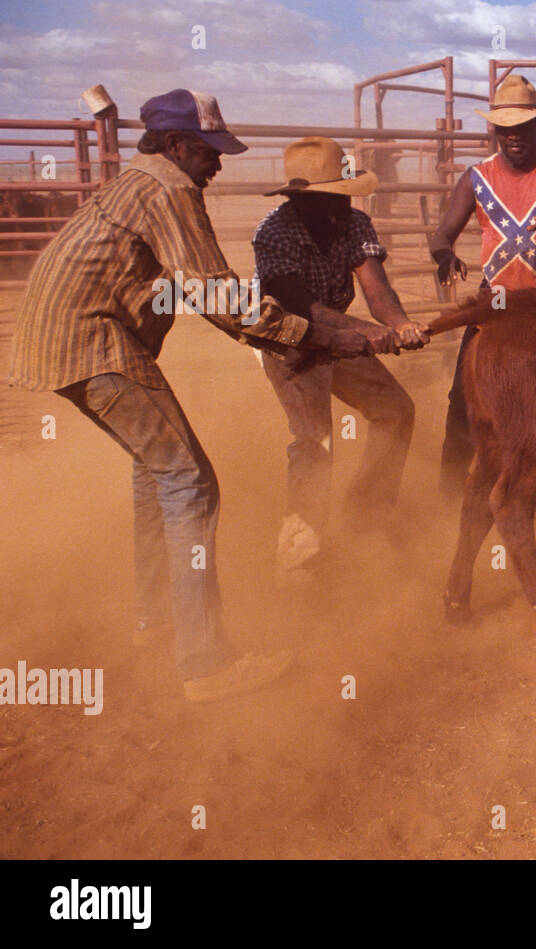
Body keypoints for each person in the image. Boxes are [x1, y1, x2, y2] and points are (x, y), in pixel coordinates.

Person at [7, 90, 366, 702]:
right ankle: (205, 663)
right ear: (176, 146)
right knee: (191, 483)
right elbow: (216, 295)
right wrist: (311, 335)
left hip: (60, 336)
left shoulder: (139, 182)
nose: (217, 164)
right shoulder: (169, 188)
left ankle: (158, 619)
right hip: (94, 339)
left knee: (157, 473)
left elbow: (199, 294)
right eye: (208, 152)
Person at [252, 137, 424, 581]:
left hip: (341, 336)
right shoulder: (275, 232)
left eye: (345, 196)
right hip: (289, 339)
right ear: (304, 199)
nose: (344, 205)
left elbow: (376, 288)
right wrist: (368, 330)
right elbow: (297, 306)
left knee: (395, 410)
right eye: (335, 197)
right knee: (315, 440)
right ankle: (298, 556)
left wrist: (400, 322)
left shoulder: (354, 223)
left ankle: (369, 513)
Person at [427, 75, 536, 491]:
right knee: (465, 403)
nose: (515, 136)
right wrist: (444, 254)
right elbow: (442, 232)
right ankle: (450, 495)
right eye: (507, 128)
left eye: (524, 127)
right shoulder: (476, 179)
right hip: (495, 307)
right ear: (496, 131)